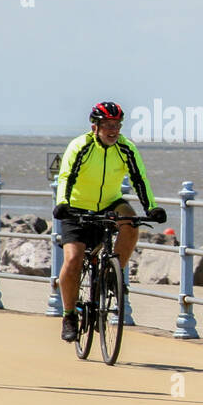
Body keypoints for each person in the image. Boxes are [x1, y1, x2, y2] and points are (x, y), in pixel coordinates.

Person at [52, 102, 166, 341]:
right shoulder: (80, 146)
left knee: (131, 221)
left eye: (116, 125)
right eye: (107, 125)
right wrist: (62, 202)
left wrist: (152, 208)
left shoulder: (126, 148)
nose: (113, 130)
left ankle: (111, 277)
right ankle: (69, 315)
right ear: (95, 126)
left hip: (109, 203)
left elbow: (139, 179)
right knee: (73, 259)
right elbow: (65, 177)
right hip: (76, 207)